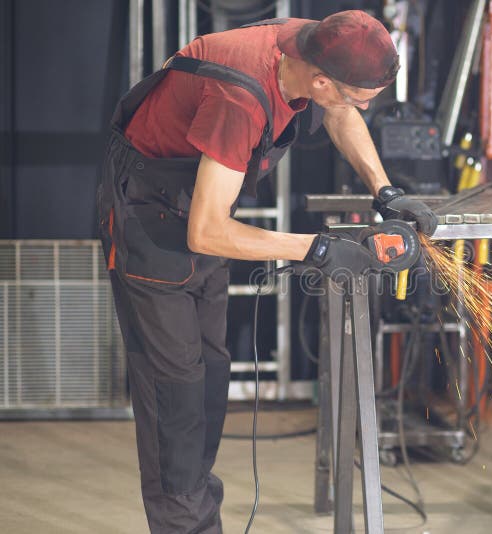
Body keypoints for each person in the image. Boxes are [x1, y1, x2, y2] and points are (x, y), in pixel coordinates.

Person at [96, 10, 437, 533]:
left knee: (208, 380)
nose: (362, 108)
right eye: (359, 96)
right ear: (321, 80)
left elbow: (339, 113)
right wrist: (317, 250)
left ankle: (195, 517)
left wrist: (385, 193)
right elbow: (206, 232)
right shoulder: (240, 96)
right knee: (176, 400)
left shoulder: (312, 46)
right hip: (150, 218)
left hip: (193, 204)